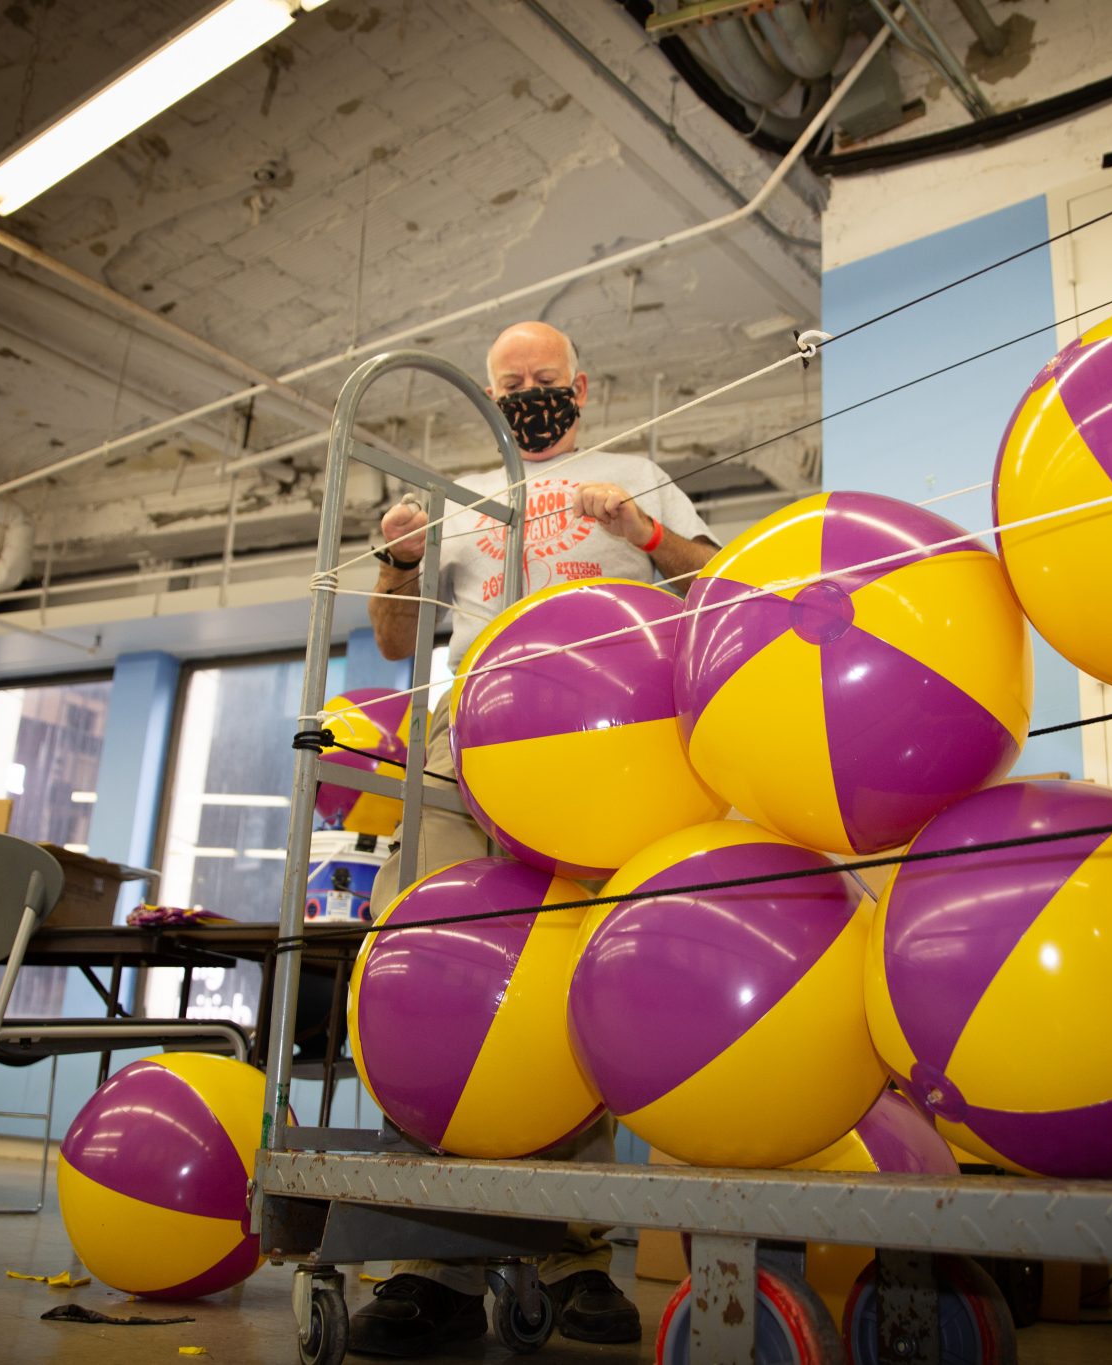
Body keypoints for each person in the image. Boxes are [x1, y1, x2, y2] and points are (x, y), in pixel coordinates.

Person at [348, 321, 717, 1358]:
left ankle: (569, 1253)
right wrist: (397, 557)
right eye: (507, 385)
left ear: (580, 389)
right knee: (419, 966)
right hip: (462, 744)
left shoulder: (633, 471)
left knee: (572, 977)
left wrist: (644, 536)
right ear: (489, 395)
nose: (525, 398)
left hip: (600, 750)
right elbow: (391, 635)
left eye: (542, 382)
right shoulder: (459, 496)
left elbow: (711, 579)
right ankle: (427, 1261)